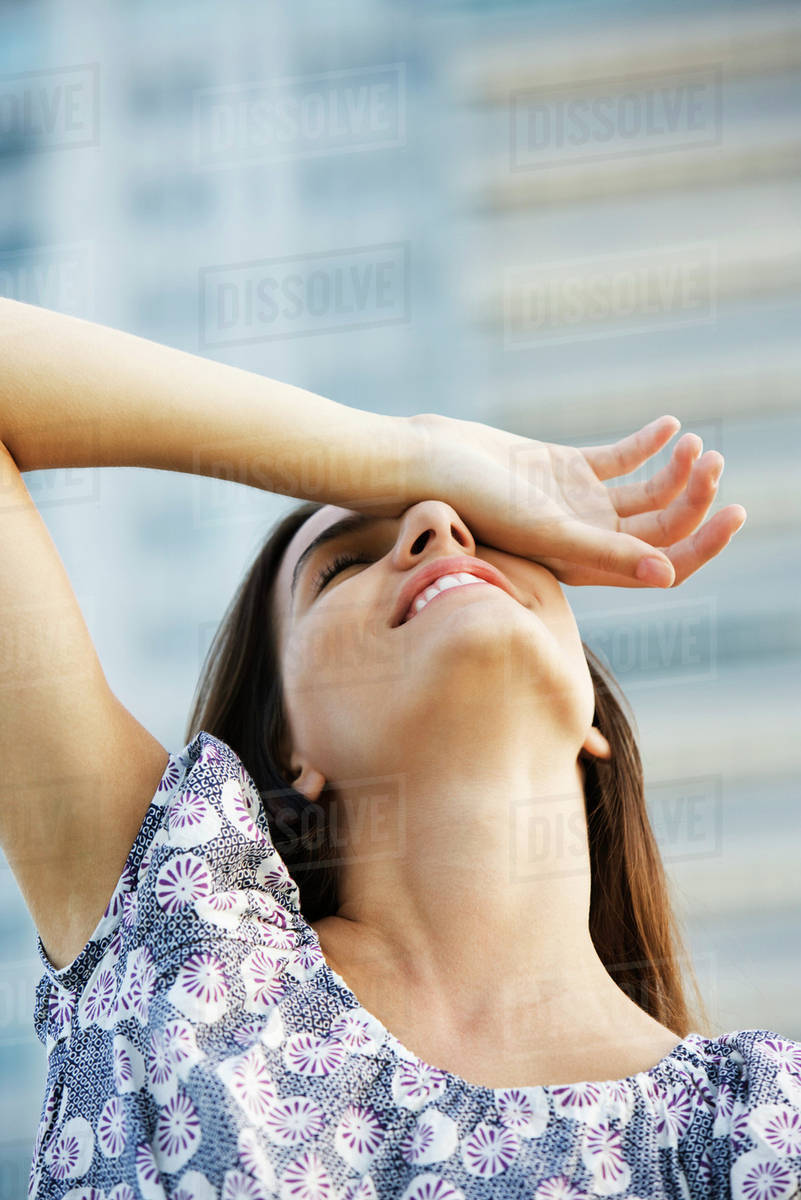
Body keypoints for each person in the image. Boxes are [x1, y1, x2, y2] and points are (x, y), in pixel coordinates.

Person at [2, 298, 798, 1199]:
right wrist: (412, 449)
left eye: (490, 529)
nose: (440, 528)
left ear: (591, 717)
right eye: (343, 564)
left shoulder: (761, 1131)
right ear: (285, 743)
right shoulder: (178, 938)